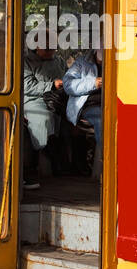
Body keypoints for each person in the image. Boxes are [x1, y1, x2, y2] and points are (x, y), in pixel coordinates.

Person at [22, 46, 65, 189]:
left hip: (57, 99)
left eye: (53, 48)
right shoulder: (26, 62)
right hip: (34, 100)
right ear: (37, 47)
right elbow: (27, 86)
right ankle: (43, 150)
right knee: (44, 118)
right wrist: (51, 85)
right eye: (47, 49)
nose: (51, 52)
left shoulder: (58, 61)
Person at [62, 49, 103, 180]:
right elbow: (68, 85)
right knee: (103, 120)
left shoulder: (120, 63)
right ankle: (108, 162)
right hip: (86, 106)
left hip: (111, 104)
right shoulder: (82, 63)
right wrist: (93, 83)